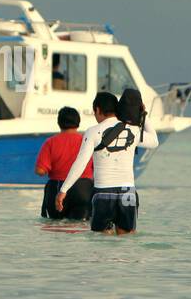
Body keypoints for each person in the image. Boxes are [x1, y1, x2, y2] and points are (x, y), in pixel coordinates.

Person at [57, 90, 158, 234]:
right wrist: (143, 113)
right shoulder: (134, 131)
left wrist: (63, 190)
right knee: (127, 240)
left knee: (101, 243)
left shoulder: (93, 132)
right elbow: (154, 141)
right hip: (127, 193)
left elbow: (81, 163)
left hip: (103, 193)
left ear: (98, 110)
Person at [35, 106, 95, 219]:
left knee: (55, 227)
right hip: (83, 189)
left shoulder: (51, 142)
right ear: (78, 123)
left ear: (59, 122)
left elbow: (40, 170)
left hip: (57, 188)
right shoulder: (86, 141)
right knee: (80, 227)